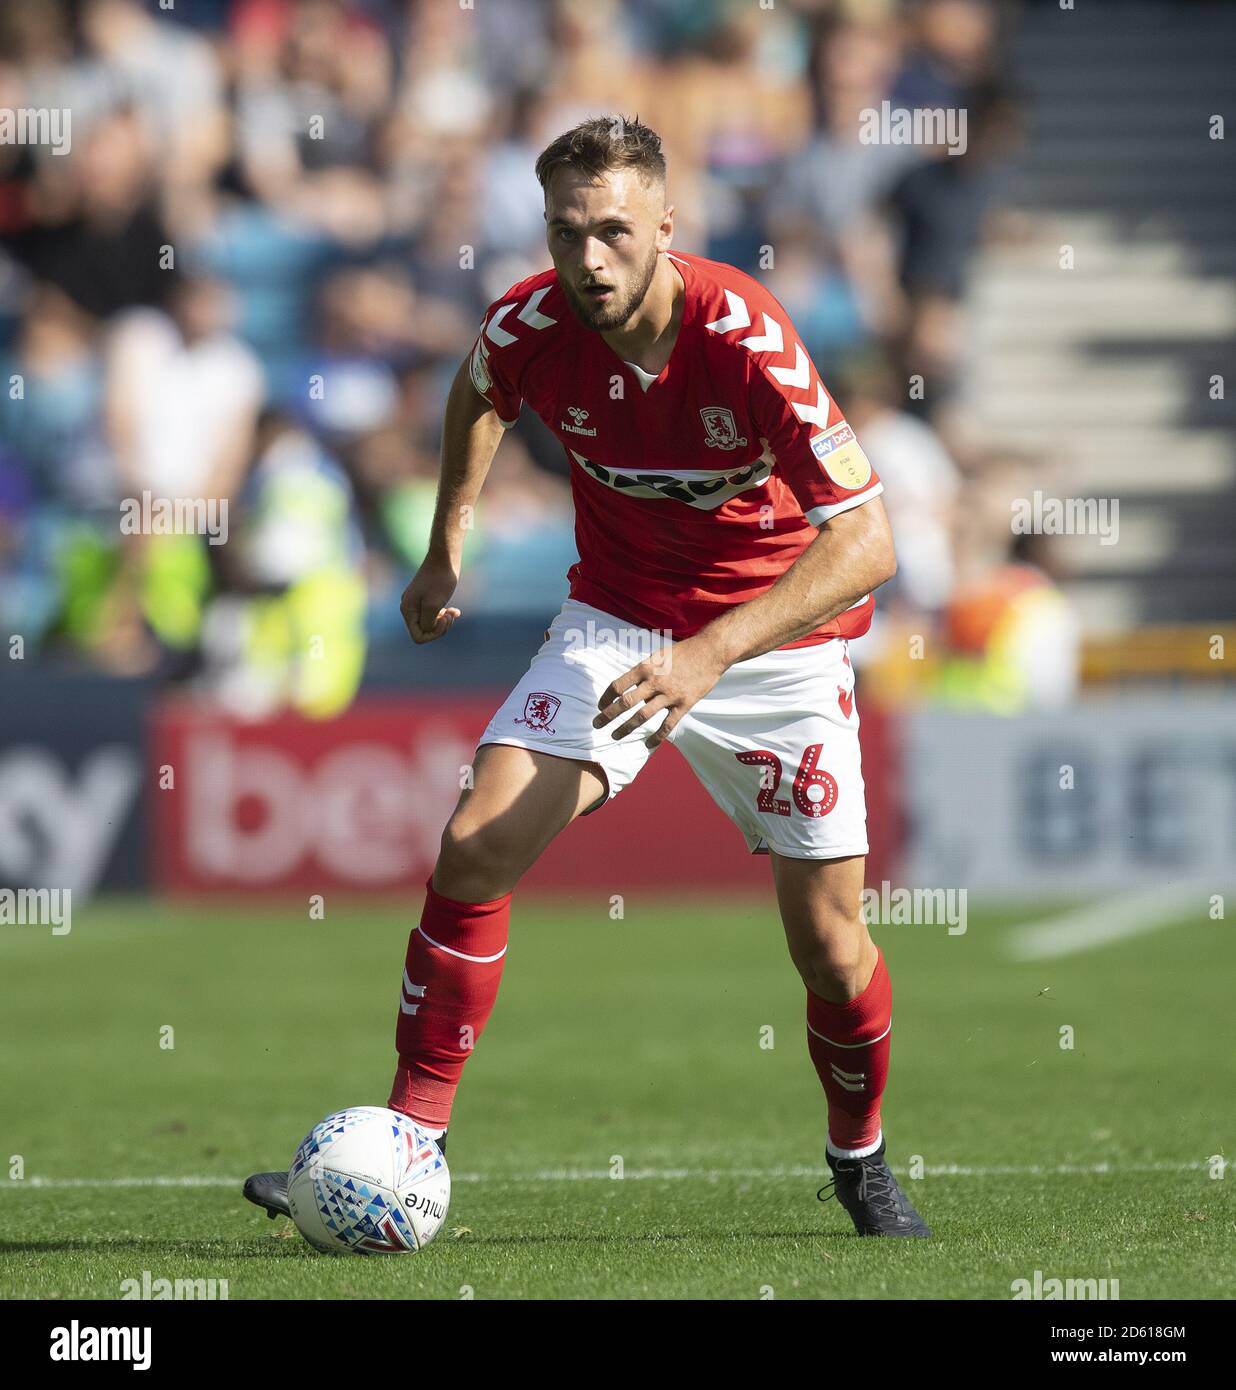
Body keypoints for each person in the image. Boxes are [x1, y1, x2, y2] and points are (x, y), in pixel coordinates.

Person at [244, 115, 928, 1238]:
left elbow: (866, 543)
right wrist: (444, 543)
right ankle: (411, 1139)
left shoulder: (744, 338)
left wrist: (711, 654)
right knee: (476, 843)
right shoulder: (529, 323)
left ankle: (860, 1158)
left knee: (831, 948)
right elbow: (477, 394)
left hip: (772, 647)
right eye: (570, 233)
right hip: (614, 621)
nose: (591, 259)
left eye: (615, 231)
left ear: (668, 223)